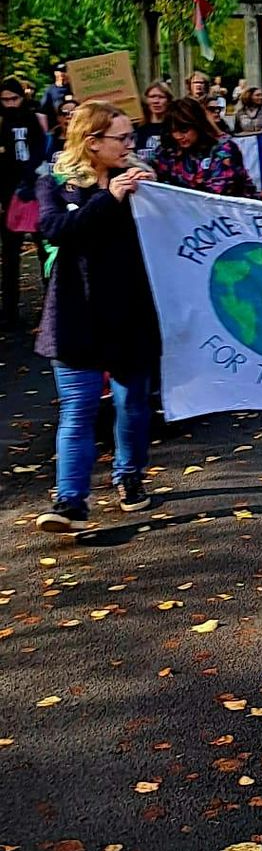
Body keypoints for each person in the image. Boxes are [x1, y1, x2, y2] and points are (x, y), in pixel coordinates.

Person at [34, 100, 161, 530]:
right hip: (75, 314)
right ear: (92, 142)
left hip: (130, 312)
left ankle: (129, 474)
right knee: (78, 409)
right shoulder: (56, 184)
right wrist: (110, 197)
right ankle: (70, 501)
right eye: (122, 138)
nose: (131, 145)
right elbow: (58, 231)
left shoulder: (143, 180)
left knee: (132, 405)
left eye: (132, 137)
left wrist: (159, 194)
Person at [1, 75, 49, 329]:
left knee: (45, 251)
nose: (10, 104)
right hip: (9, 194)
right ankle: (8, 311)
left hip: (34, 189)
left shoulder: (33, 118)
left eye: (14, 98)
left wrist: (31, 179)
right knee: (10, 256)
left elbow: (42, 150)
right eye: (5, 100)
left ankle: (51, 306)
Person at [151, 98, 256, 195]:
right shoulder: (169, 151)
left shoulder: (224, 150)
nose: (178, 136)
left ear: (198, 125)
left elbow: (220, 193)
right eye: (173, 131)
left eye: (184, 130)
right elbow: (157, 178)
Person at [138, 81, 172, 160]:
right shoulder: (138, 128)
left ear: (169, 100)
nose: (156, 101)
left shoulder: (174, 129)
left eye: (161, 97)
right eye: (152, 97)